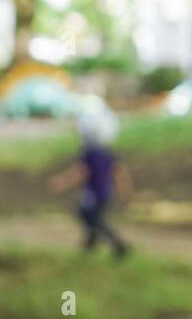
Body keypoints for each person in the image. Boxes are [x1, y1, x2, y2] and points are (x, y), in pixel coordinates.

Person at [49, 103, 133, 259]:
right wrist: (124, 191)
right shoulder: (106, 153)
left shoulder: (90, 153)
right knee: (93, 217)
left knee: (91, 216)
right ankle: (91, 242)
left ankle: (116, 242)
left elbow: (81, 172)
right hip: (106, 193)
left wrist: (62, 182)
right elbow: (120, 172)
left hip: (93, 195)